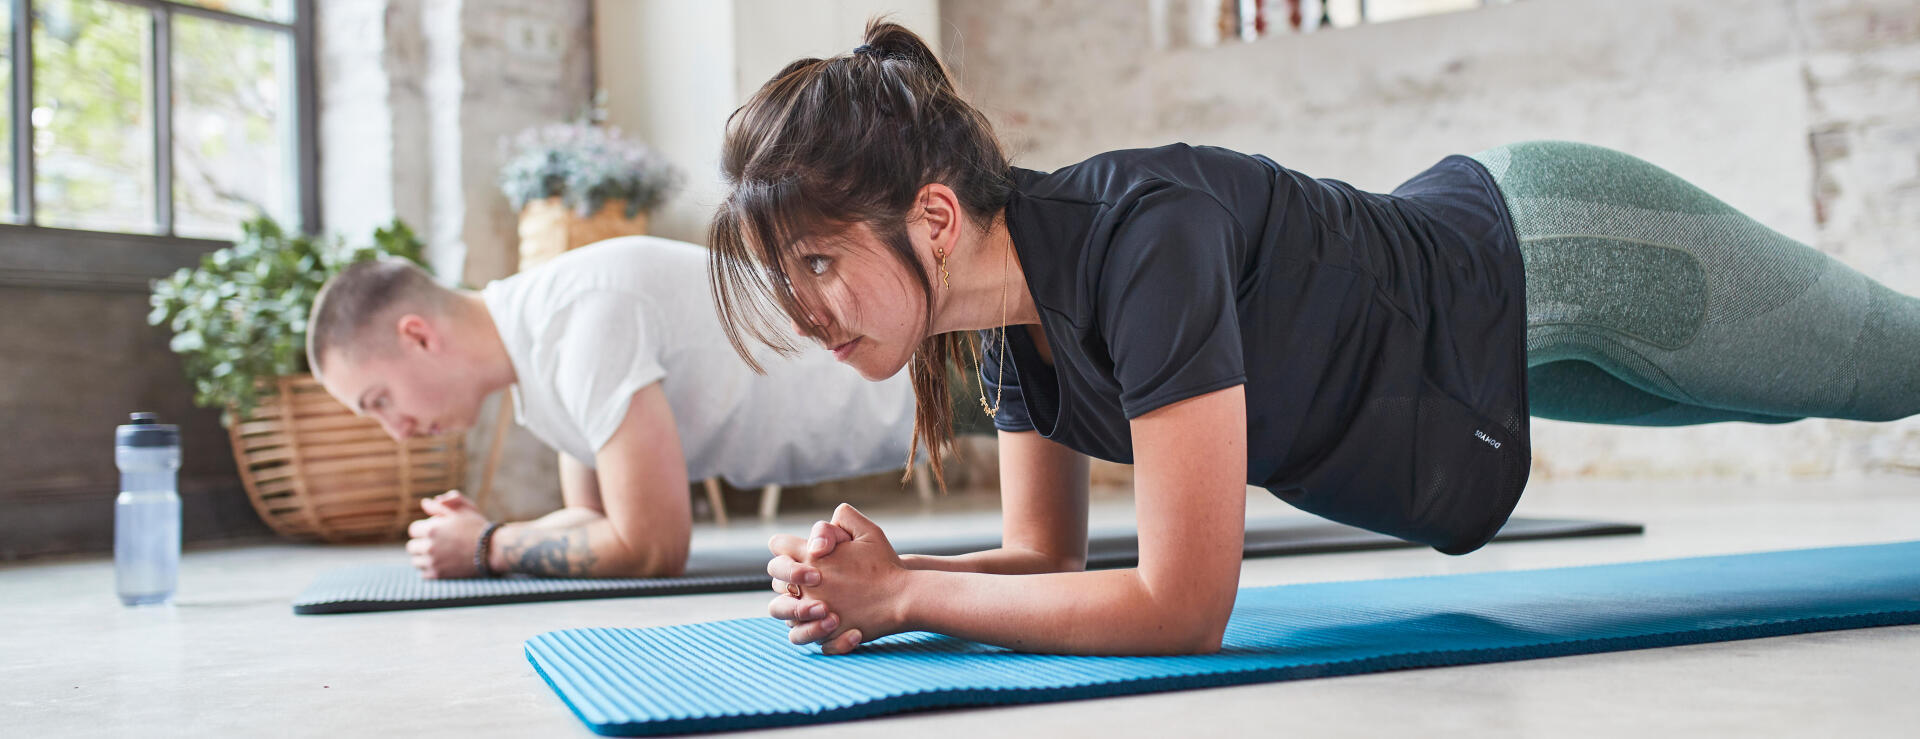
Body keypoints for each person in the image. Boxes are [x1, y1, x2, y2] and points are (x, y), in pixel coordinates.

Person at [706, 21, 1920, 656]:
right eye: (785, 272)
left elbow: (1183, 605)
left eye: (817, 260)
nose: (805, 304)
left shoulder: (1143, 240)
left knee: (1889, 364)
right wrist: (884, 595)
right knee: (1804, 396)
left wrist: (915, 583)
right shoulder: (1004, 334)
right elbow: (1045, 559)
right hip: (1481, 360)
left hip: (1567, 247)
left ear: (931, 218)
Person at [306, 236, 918, 579]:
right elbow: (594, 519)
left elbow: (651, 547)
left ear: (417, 337)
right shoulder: (537, 346)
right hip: (908, 400)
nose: (397, 431)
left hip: (937, 368)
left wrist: (489, 544)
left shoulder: (580, 321)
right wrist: (489, 533)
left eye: (380, 401)